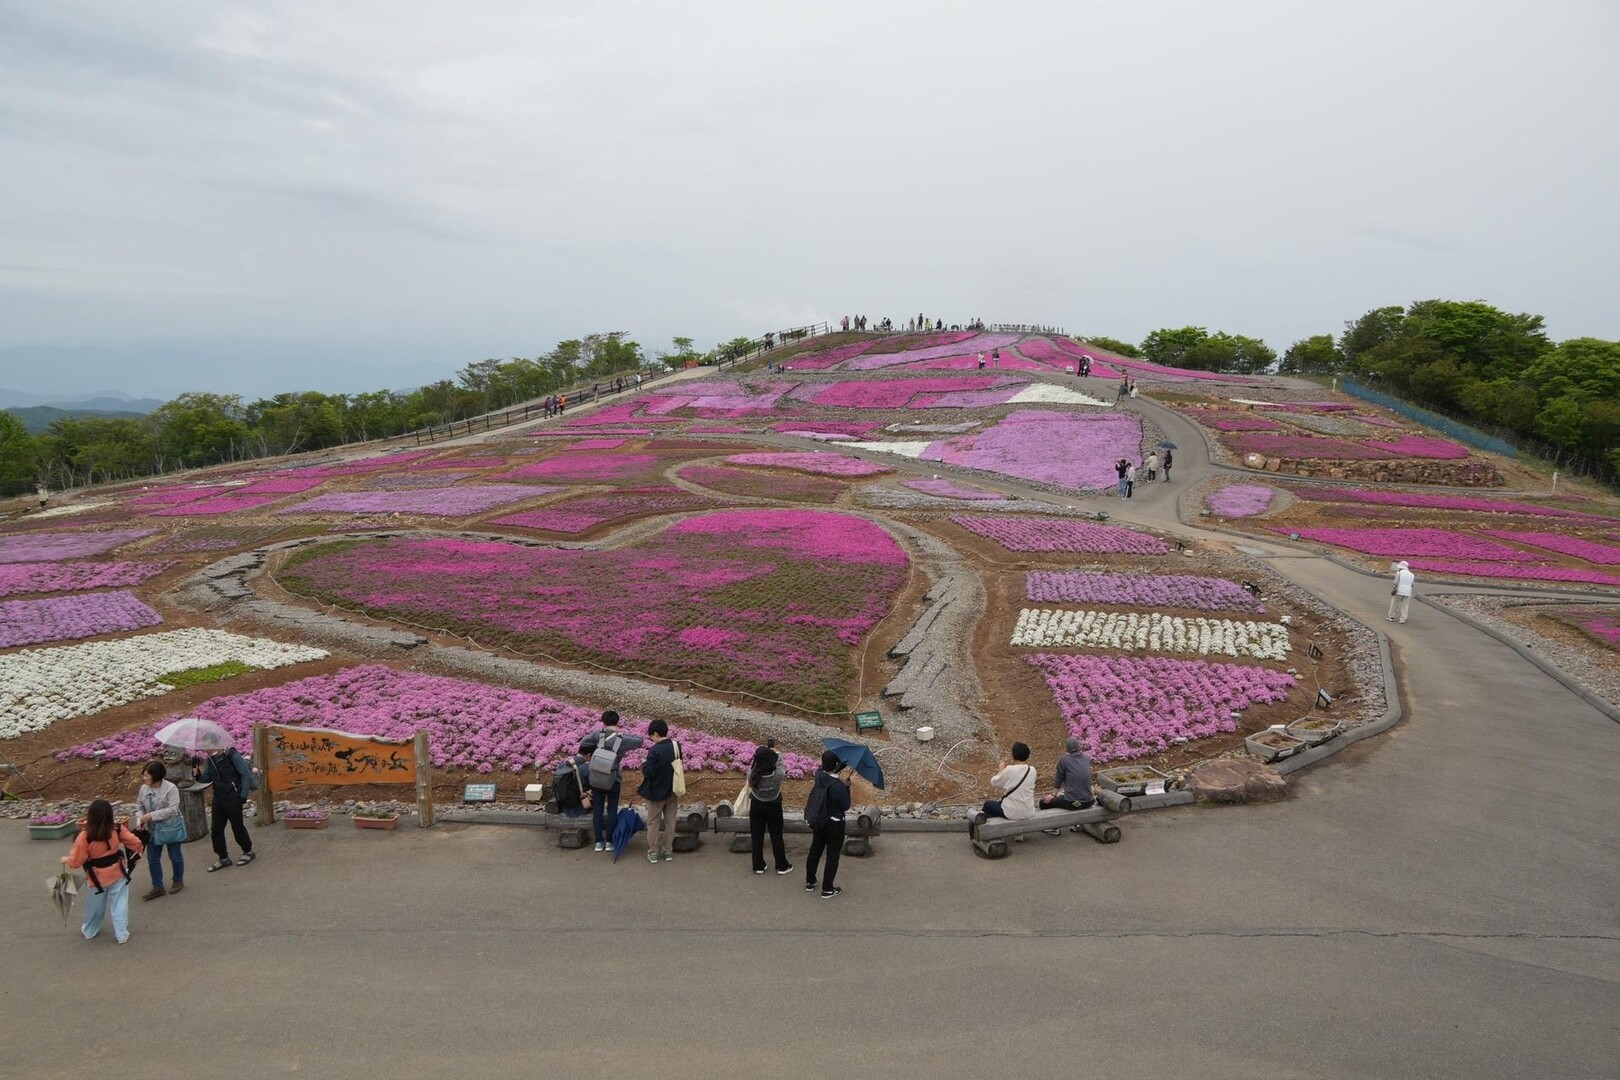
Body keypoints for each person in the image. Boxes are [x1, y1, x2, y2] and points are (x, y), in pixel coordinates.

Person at [62, 799, 143, 945]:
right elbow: (135, 842)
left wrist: (66, 859)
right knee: (120, 904)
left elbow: (76, 862)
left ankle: (90, 931)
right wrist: (136, 853)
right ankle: (122, 934)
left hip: (96, 877)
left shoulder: (85, 836)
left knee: (94, 906)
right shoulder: (117, 829)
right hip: (118, 872)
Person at [581, 710, 644, 852]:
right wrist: (623, 735)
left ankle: (598, 842)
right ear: (618, 722)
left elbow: (584, 743)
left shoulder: (598, 735)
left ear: (603, 722)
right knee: (612, 809)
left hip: (597, 778)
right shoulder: (622, 740)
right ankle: (609, 841)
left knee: (597, 809)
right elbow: (640, 741)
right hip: (613, 778)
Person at [195, 744, 256, 872]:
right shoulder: (209, 760)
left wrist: (243, 795)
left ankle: (248, 851)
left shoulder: (231, 755)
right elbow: (207, 778)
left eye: (206, 744)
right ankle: (223, 857)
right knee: (216, 829)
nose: (204, 748)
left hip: (233, 797)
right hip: (218, 798)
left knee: (237, 826)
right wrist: (197, 774)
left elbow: (245, 773)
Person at [134, 760, 186, 900]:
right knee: (152, 858)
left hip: (170, 827)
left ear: (156, 775)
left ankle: (178, 880)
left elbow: (173, 809)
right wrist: (140, 820)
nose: (144, 778)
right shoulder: (144, 789)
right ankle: (157, 886)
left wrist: (151, 815)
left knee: (175, 855)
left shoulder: (171, 788)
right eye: (144, 775)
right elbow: (139, 806)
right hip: (152, 829)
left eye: (146, 775)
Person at [804, 751, 851, 899]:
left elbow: (824, 770)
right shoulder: (838, 787)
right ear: (836, 765)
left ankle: (810, 881)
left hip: (820, 820)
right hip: (835, 824)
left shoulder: (819, 775)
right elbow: (845, 805)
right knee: (832, 856)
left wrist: (837, 769)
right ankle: (828, 888)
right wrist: (847, 787)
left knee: (815, 850)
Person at [637, 719, 680, 863]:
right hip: (673, 791)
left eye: (651, 736)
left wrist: (643, 765)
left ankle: (653, 852)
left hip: (656, 793)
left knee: (653, 822)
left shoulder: (654, 750)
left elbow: (649, 772)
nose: (651, 738)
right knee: (670, 822)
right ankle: (668, 851)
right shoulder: (676, 746)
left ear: (655, 733)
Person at [747, 739, 792, 876]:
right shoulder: (777, 775)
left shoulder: (752, 775)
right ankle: (781, 865)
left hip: (756, 805)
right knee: (776, 836)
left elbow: (751, 766)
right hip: (773, 804)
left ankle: (758, 865)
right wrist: (775, 754)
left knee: (757, 836)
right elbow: (781, 765)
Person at [1038, 738, 1095, 834]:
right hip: (1089, 800)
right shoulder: (1086, 757)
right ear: (1079, 747)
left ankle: (1053, 827)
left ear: (1067, 749)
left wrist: (1053, 795)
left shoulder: (1064, 760)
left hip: (1072, 803)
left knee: (1043, 803)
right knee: (1067, 797)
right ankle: (1075, 823)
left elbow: (1058, 780)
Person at [983, 742, 1037, 821]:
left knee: (987, 805)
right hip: (1029, 811)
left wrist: (1001, 770)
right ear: (1027, 755)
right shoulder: (1032, 770)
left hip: (1011, 812)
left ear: (1013, 755)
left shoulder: (1010, 769)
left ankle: (994, 829)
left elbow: (994, 782)